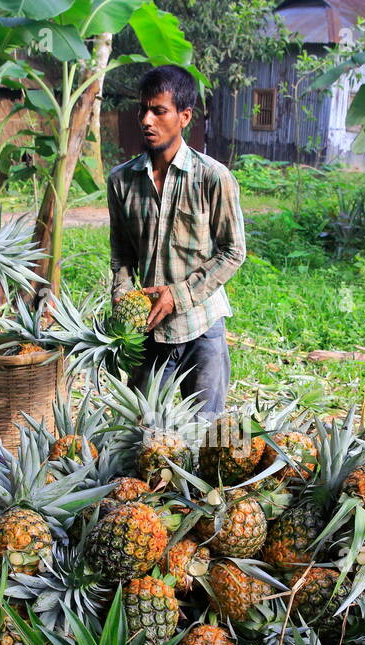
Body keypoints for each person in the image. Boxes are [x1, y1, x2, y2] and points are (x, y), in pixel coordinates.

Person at [108, 65, 246, 415]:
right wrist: (123, 298)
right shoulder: (122, 181)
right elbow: (122, 254)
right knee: (138, 426)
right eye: (143, 109)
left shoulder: (213, 177)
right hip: (149, 330)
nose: (146, 120)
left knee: (206, 429)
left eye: (159, 110)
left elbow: (234, 252)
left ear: (184, 117)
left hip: (202, 325)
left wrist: (178, 295)